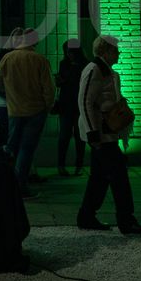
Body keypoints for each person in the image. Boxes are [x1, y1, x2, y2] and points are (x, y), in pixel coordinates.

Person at [76, 35, 141, 235]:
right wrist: (93, 134)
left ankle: (87, 216)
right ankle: (125, 220)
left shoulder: (102, 70)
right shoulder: (95, 70)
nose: (118, 53)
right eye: (115, 50)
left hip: (103, 133)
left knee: (100, 178)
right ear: (105, 51)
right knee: (118, 176)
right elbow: (85, 102)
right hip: (101, 134)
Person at [0, 28, 55, 198]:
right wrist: (48, 106)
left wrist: (11, 97)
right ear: (33, 42)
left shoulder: (7, 58)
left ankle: (4, 183)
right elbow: (49, 88)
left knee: (11, 146)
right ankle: (20, 186)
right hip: (36, 111)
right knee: (27, 149)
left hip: (14, 109)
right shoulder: (40, 60)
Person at [55, 39, 87, 177]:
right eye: (67, 51)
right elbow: (62, 83)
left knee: (80, 136)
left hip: (79, 104)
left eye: (70, 51)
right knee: (64, 136)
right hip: (66, 104)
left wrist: (65, 78)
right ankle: (61, 165)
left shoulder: (85, 65)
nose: (68, 54)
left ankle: (78, 165)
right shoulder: (64, 64)